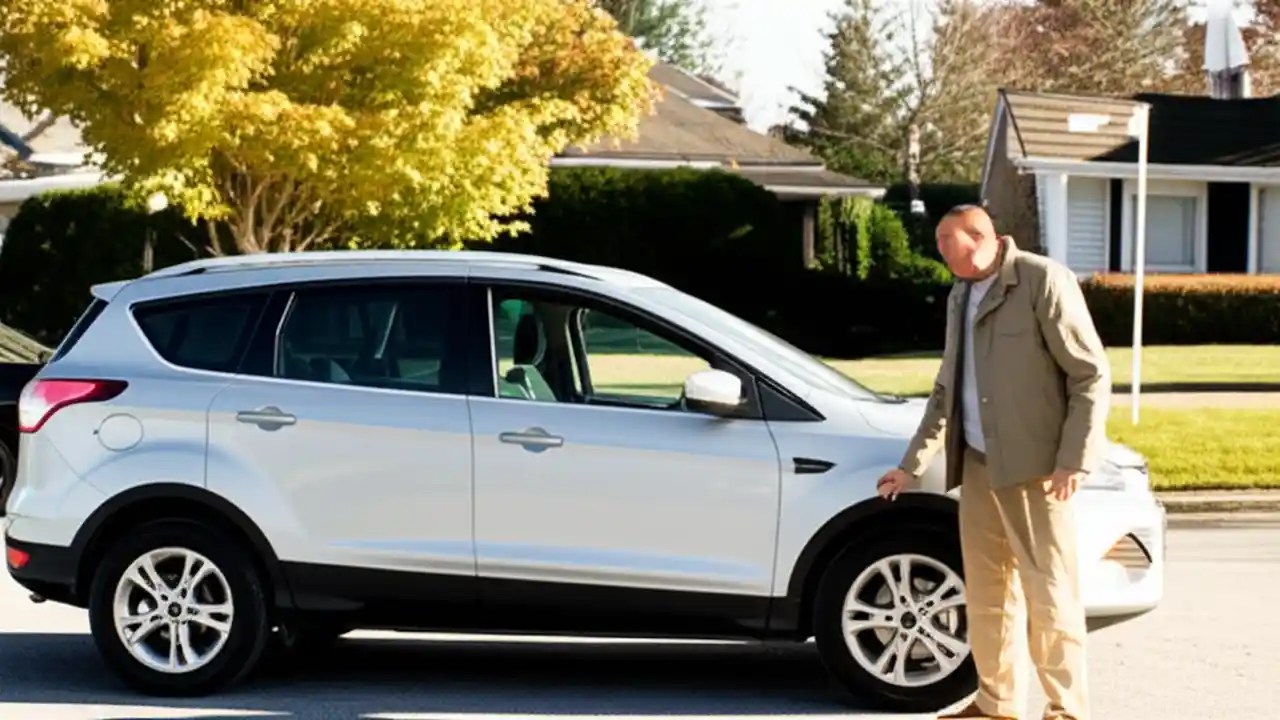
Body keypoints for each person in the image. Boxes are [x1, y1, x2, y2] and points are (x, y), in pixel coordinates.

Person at [876, 204, 1110, 720]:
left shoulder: (1042, 281)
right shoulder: (960, 294)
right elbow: (946, 388)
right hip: (979, 466)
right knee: (987, 595)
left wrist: (1074, 459)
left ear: (980, 236)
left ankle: (1066, 709)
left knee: (1049, 594)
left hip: (1038, 470)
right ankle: (995, 703)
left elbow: (1090, 376)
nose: (937, 248)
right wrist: (912, 465)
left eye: (945, 239)